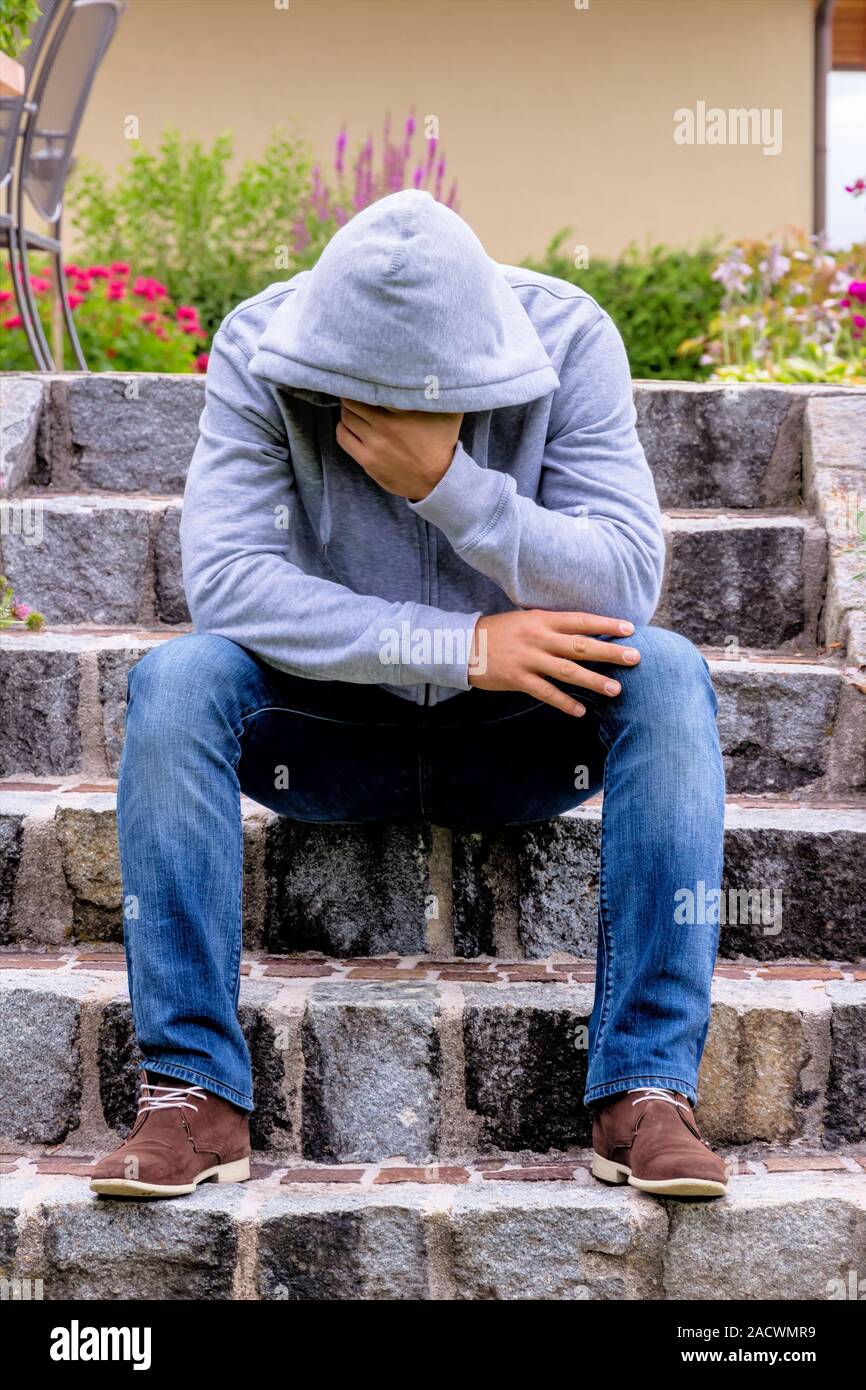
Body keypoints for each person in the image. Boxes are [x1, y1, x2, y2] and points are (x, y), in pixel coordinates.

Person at [90, 190, 727, 1200]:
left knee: (671, 673)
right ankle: (191, 1094)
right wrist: (460, 643)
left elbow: (624, 580)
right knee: (176, 680)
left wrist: (447, 484)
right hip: (324, 726)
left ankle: (644, 1089)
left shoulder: (567, 334)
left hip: (520, 732)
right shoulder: (259, 342)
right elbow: (226, 582)